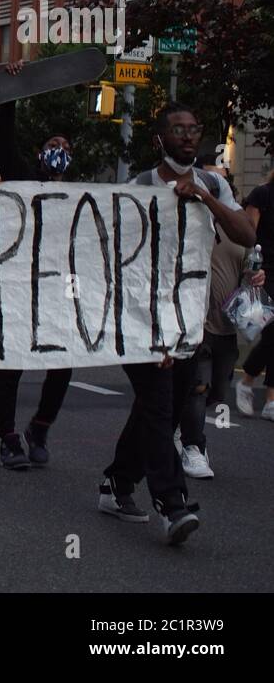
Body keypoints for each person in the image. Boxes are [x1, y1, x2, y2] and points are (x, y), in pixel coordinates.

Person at [102, 104, 255, 544]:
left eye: (194, 129)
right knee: (159, 407)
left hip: (191, 324)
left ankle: (116, 483)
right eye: (178, 130)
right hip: (143, 322)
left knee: (154, 412)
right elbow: (126, 264)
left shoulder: (214, 183)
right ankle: (172, 505)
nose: (188, 137)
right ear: (160, 139)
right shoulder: (138, 188)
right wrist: (154, 331)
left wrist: (205, 198)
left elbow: (246, 234)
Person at [0, 63, 75, 470]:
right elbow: (4, 142)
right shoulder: (23, 177)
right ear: (42, 153)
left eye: (67, 146)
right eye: (54, 143)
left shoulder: (80, 195)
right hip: (20, 284)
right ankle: (8, 436)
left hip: (59, 288)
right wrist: (10, 95)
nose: (61, 149)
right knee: (13, 362)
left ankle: (40, 426)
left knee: (64, 360)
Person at [172, 155, 260, 477]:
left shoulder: (238, 232)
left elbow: (250, 268)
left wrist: (256, 277)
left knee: (218, 391)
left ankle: (181, 427)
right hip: (196, 322)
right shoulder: (191, 225)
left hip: (227, 325)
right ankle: (195, 447)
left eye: (215, 182)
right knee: (198, 384)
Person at [239, 168, 274, 420]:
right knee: (272, 335)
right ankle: (253, 384)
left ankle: (260, 390)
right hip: (264, 274)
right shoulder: (262, 194)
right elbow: (248, 236)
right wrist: (251, 271)